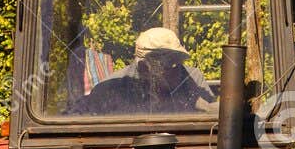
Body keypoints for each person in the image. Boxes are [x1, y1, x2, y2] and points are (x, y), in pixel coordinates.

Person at [74, 27, 217, 117]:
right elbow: (79, 127)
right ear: (143, 67)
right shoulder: (110, 89)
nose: (177, 68)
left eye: (178, 61)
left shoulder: (192, 79)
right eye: (167, 64)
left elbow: (213, 122)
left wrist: (201, 105)